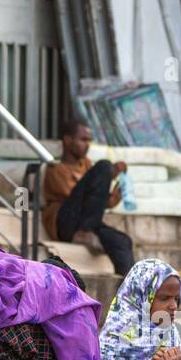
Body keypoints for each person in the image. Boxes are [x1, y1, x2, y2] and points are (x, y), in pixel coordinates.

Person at [40, 118, 135, 276]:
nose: (87, 145)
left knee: (123, 241)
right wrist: (111, 171)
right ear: (68, 140)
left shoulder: (86, 165)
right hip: (65, 222)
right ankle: (84, 231)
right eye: (83, 140)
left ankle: (131, 292)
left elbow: (93, 201)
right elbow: (77, 199)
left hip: (87, 223)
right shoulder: (55, 168)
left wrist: (111, 200)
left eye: (89, 140)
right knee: (104, 166)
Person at [99, 258, 181, 360]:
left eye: (176, 298)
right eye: (165, 298)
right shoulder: (117, 336)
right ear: (141, 298)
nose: (173, 306)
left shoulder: (172, 333)